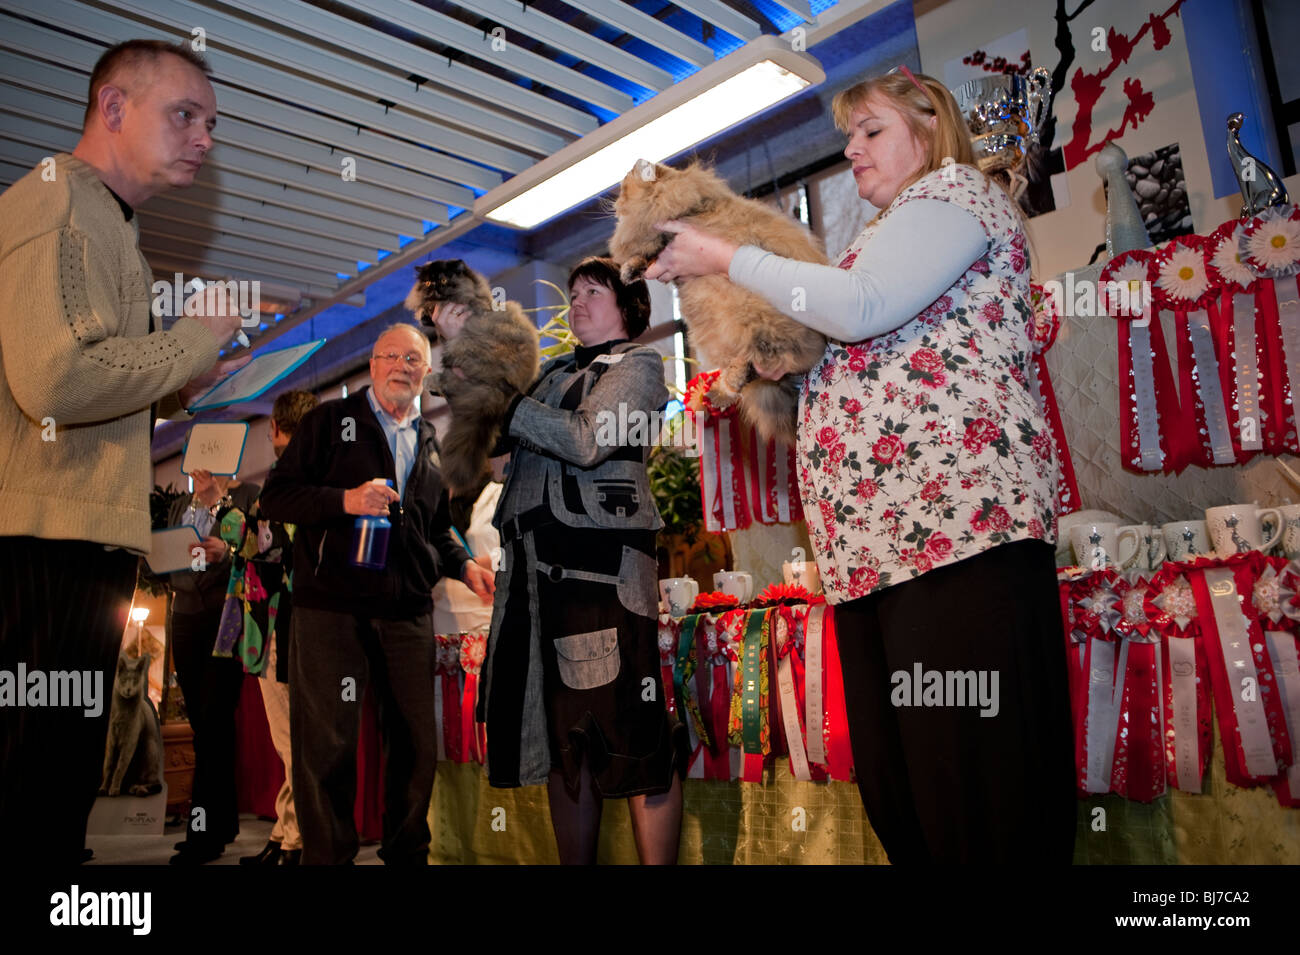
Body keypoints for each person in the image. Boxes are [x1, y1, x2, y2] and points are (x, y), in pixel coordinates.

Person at [645, 69, 1075, 864]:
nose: (851, 148)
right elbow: (862, 332)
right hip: (876, 559)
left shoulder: (958, 193)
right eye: (848, 136)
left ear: (929, 124)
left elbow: (865, 307)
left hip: (956, 543)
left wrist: (725, 252)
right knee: (908, 789)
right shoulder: (875, 240)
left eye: (869, 130)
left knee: (977, 792)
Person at [0, 38, 247, 865]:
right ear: (112, 107)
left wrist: (188, 373)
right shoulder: (60, 203)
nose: (204, 137)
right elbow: (58, 377)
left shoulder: (112, 229)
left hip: (73, 533)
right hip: (42, 538)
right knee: (35, 774)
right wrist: (188, 342)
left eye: (212, 123)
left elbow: (101, 379)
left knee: (56, 772)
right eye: (185, 114)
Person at [477, 256, 687, 865]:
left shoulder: (641, 364)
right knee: (564, 744)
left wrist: (508, 406)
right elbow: (493, 447)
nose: (578, 303)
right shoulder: (548, 373)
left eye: (594, 292)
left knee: (631, 735)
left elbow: (588, 440)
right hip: (536, 577)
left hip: (604, 575)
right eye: (573, 294)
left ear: (630, 307)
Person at [259, 322, 494, 865]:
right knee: (328, 745)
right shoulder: (328, 423)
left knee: (414, 743)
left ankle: (407, 852)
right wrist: (345, 501)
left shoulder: (430, 443)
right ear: (371, 365)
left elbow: (434, 530)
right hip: (332, 609)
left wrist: (465, 567)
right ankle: (329, 857)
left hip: (407, 611)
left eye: (414, 360)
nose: (402, 367)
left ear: (426, 372)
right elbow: (278, 497)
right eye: (391, 356)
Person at [221, 389, 320, 866]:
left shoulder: (285, 481)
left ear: (276, 431)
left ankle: (298, 841)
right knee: (293, 740)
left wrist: (219, 504)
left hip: (282, 627)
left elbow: (257, 545)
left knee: (291, 741)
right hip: (306, 625)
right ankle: (285, 833)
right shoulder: (322, 477)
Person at [166, 470, 260, 865]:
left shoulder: (247, 496)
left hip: (227, 617)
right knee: (204, 726)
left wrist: (217, 502)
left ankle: (203, 833)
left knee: (214, 719)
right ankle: (220, 824)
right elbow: (170, 555)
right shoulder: (177, 505)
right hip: (184, 614)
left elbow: (252, 551)